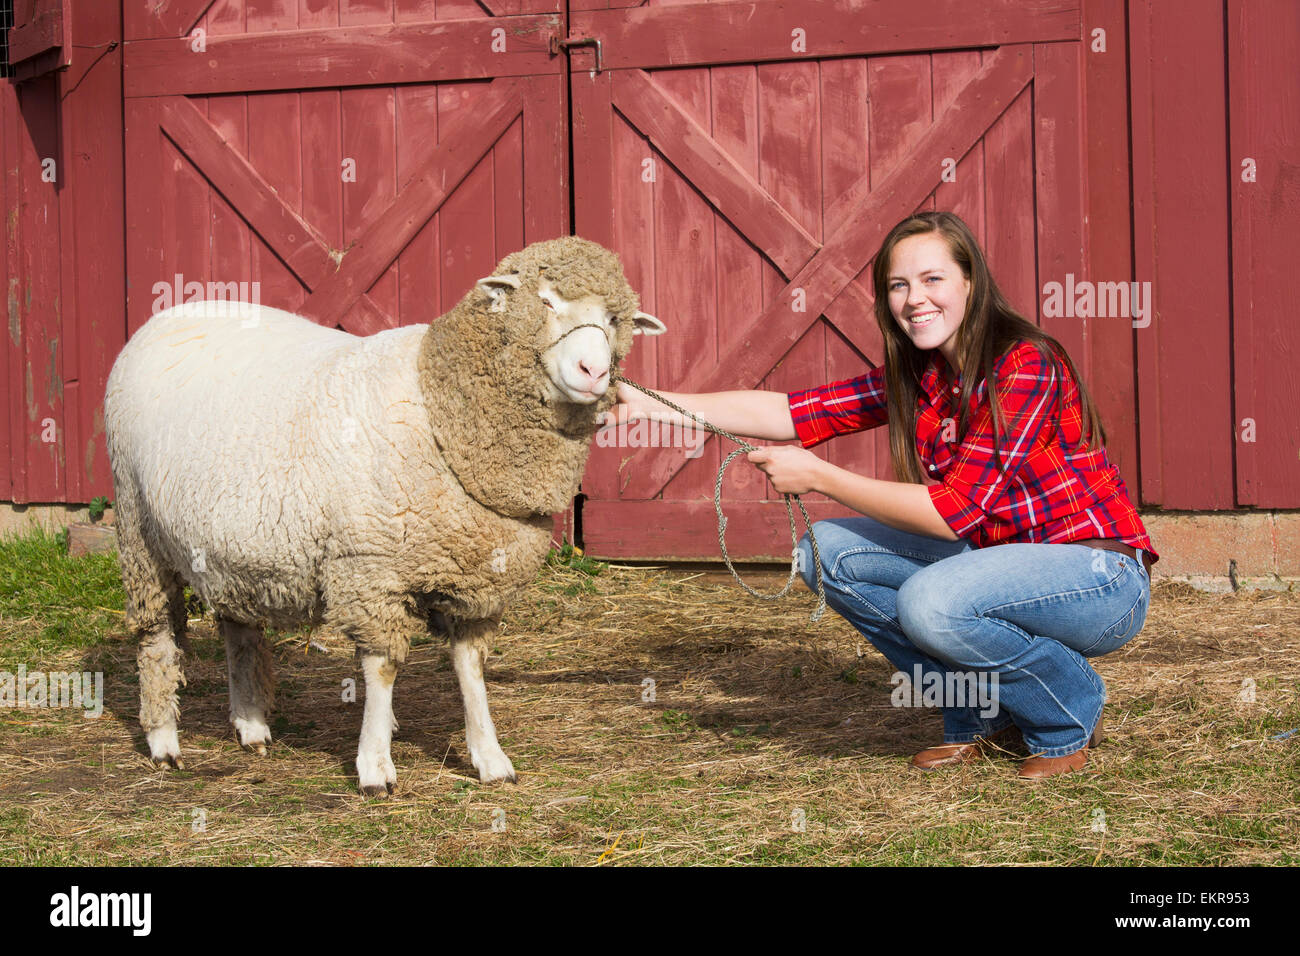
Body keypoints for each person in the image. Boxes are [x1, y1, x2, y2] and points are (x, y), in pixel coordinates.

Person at [606, 210, 1158, 780]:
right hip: (995, 561)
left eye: (932, 279)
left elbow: (954, 514)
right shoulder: (921, 375)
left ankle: (1063, 706)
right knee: (826, 551)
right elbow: (791, 412)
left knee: (932, 602)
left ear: (971, 283)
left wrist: (821, 477)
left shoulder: (1025, 363)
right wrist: (651, 402)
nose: (914, 298)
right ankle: (980, 715)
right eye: (898, 285)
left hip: (1098, 574)